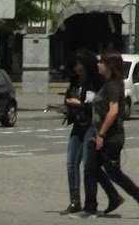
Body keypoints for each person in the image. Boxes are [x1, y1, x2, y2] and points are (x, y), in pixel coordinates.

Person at [82, 52, 139, 219]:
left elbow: (113, 112)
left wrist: (101, 134)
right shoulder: (108, 84)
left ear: (110, 66)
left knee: (114, 173)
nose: (98, 65)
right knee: (91, 168)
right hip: (102, 135)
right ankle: (95, 205)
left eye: (102, 63)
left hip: (111, 137)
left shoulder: (113, 85)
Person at [61, 50, 98, 215]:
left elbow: (94, 104)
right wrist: (66, 107)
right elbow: (69, 99)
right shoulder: (75, 82)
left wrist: (80, 104)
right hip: (77, 124)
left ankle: (91, 202)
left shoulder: (93, 82)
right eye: (75, 66)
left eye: (79, 66)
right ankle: (74, 200)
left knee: (87, 162)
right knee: (71, 162)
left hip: (90, 123)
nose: (77, 69)